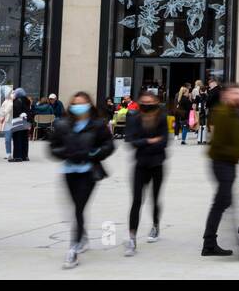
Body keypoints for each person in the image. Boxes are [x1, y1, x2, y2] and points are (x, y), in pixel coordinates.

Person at [49, 92, 114, 269]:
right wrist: (65, 153)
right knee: (75, 208)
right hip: (69, 171)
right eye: (75, 103)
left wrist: (95, 153)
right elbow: (53, 148)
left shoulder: (98, 125)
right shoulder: (62, 124)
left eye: (82, 103)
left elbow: (109, 145)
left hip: (89, 171)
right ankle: (82, 235)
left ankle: (72, 250)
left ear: (89, 105)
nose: (78, 106)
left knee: (79, 208)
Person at [203, 82, 239, 256]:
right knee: (221, 203)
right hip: (222, 163)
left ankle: (210, 242)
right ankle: (209, 243)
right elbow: (219, 145)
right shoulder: (223, 114)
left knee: (224, 202)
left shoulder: (233, 113)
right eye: (238, 93)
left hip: (227, 163)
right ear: (228, 95)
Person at [123, 90, 169, 256]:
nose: (147, 104)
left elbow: (164, 142)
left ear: (156, 102)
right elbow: (131, 141)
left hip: (157, 164)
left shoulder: (162, 118)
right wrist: (150, 140)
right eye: (145, 101)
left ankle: (155, 225)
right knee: (136, 200)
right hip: (140, 165)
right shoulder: (134, 118)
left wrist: (145, 143)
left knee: (155, 198)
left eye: (151, 101)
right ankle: (132, 237)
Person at [8, 88, 32, 162]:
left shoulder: (17, 101)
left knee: (17, 139)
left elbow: (15, 111)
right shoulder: (27, 101)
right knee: (24, 139)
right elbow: (30, 112)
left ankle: (17, 156)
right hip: (26, 121)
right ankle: (25, 156)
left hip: (17, 121)